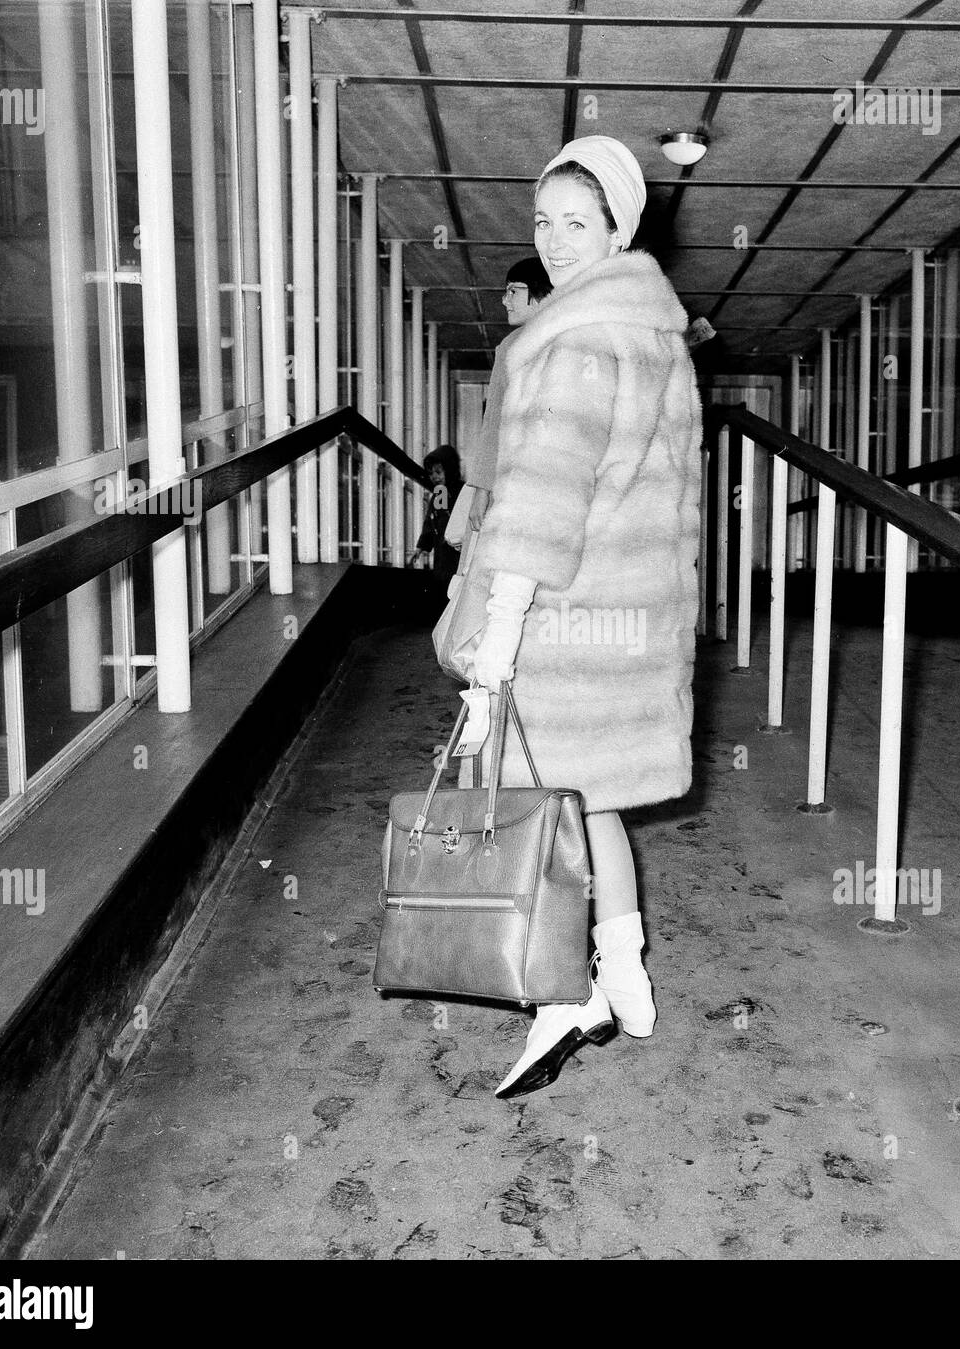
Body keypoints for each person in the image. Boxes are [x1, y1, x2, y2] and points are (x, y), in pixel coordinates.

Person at [466, 135, 702, 1099]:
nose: (555, 242)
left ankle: (559, 997)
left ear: (618, 228)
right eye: (541, 222)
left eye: (577, 223)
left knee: (533, 808)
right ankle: (627, 977)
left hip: (562, 620)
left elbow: (539, 502)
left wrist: (496, 643)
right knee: (590, 800)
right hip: (627, 617)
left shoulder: (572, 338)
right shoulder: (655, 334)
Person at [445, 256, 554, 547]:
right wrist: (482, 490)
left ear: (544, 292)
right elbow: (494, 424)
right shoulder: (510, 347)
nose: (505, 301)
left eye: (513, 291)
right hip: (517, 485)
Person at [412, 443, 463, 583]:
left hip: (458, 553)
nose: (434, 477)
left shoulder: (462, 491)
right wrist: (422, 546)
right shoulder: (439, 494)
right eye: (431, 473)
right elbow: (431, 521)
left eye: (438, 472)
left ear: (450, 470)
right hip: (442, 555)